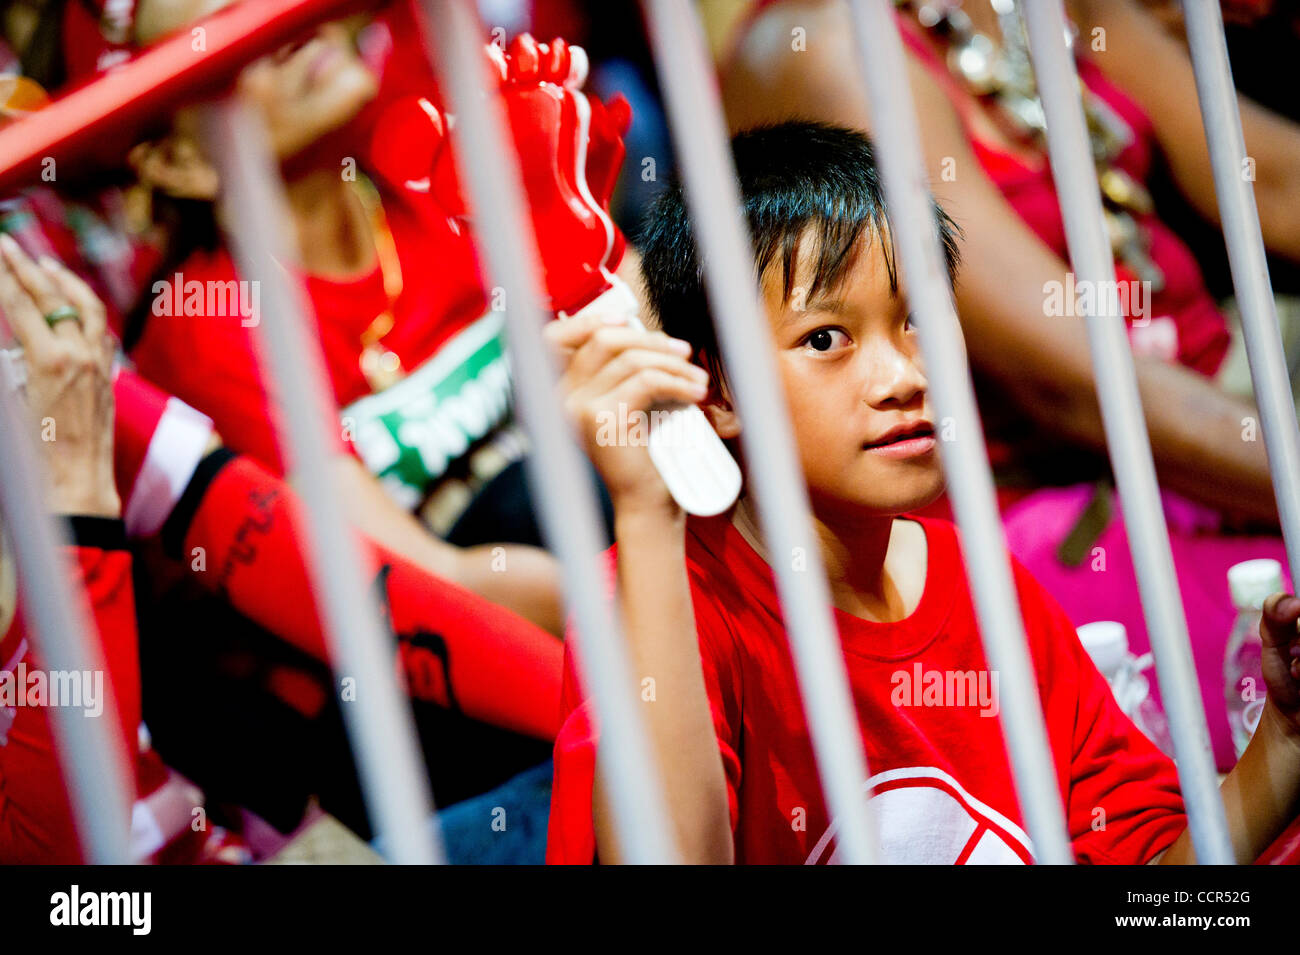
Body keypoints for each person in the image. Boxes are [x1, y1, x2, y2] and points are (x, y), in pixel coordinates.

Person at [543, 123, 1300, 864]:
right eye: (825, 339)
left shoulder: (982, 581)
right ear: (714, 389)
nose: (905, 376)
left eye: (917, 321)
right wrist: (645, 510)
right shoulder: (653, 604)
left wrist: (1284, 735)